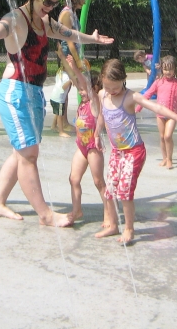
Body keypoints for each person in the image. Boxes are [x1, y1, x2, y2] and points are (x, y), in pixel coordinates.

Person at [0, 0, 114, 227]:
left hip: (33, 93)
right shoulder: (16, 19)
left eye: (54, 3)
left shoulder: (44, 21)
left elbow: (67, 33)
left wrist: (93, 39)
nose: (50, 7)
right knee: (29, 154)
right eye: (47, 1)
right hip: (15, 93)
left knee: (20, 153)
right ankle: (46, 215)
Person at [95, 59, 177, 244]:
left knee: (124, 192)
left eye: (115, 87)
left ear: (124, 80)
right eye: (108, 87)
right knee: (109, 189)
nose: (111, 91)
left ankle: (129, 229)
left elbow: (157, 107)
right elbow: (101, 116)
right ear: (102, 79)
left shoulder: (130, 97)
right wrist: (96, 134)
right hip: (117, 152)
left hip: (134, 152)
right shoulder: (102, 95)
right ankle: (112, 225)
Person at [61, 55, 109, 226]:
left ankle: (109, 214)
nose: (81, 91)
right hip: (81, 147)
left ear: (94, 88)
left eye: (83, 89)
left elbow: (85, 84)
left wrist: (75, 67)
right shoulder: (82, 104)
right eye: (79, 89)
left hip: (93, 148)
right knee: (73, 179)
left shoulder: (95, 103)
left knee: (98, 182)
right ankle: (77, 210)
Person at [57, 0, 88, 125]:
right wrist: (77, 61)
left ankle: (63, 121)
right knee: (63, 89)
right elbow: (69, 41)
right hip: (67, 55)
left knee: (67, 88)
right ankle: (61, 123)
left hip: (71, 54)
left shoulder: (72, 12)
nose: (85, 2)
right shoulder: (67, 14)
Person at [48, 57, 74, 137]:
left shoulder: (60, 72)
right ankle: (61, 131)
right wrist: (70, 81)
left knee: (58, 112)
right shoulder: (66, 76)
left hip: (54, 97)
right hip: (59, 98)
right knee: (60, 115)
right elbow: (63, 87)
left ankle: (53, 126)